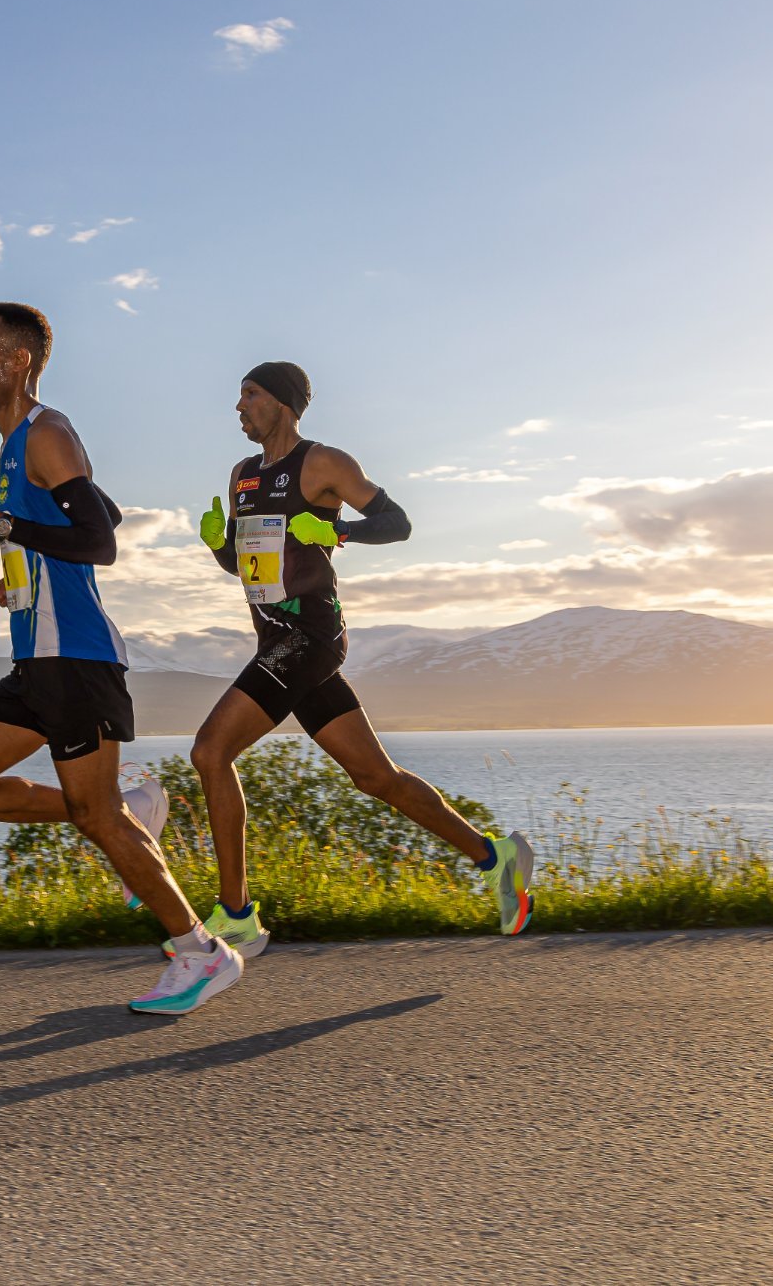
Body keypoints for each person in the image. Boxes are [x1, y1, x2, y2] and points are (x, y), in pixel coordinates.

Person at [0, 302, 242, 1015]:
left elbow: (101, 538)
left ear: (15, 362)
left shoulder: (46, 433)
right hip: (37, 656)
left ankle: (201, 952)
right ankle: (134, 805)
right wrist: (20, 571)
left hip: (75, 657)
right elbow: (101, 512)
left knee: (96, 816)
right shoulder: (18, 443)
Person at [185, 361, 534, 958]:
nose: (238, 406)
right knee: (375, 778)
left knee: (209, 751)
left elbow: (396, 523)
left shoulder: (324, 464)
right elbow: (246, 566)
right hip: (276, 644)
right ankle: (495, 855)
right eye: (239, 396)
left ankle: (236, 914)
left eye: (250, 394)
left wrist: (337, 532)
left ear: (285, 404)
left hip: (313, 637)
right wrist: (221, 543)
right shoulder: (242, 475)